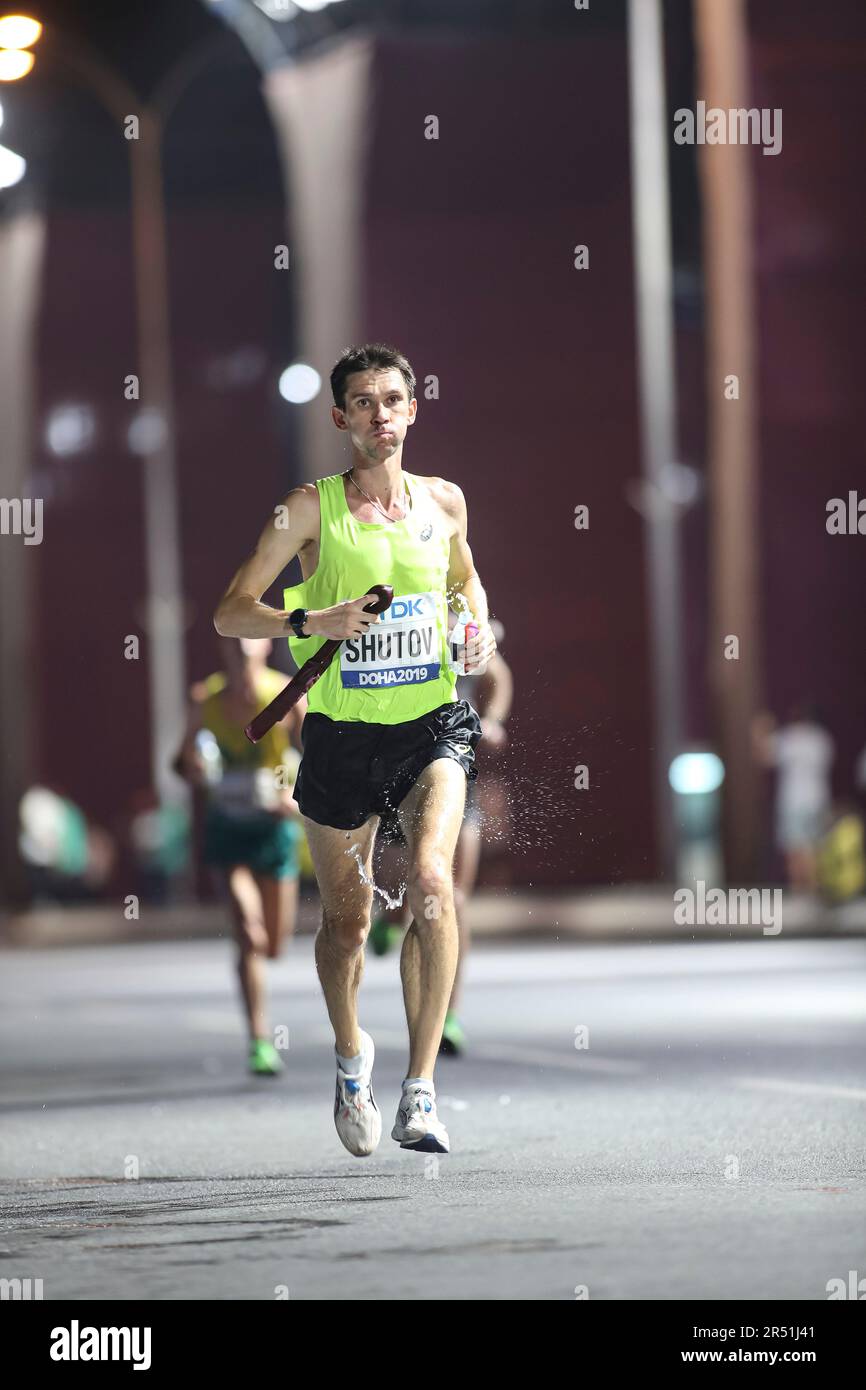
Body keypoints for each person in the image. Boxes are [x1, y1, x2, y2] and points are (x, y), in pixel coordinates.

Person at [213, 341, 497, 1157]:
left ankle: (421, 1091)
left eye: (393, 400)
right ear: (341, 419)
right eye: (363, 403)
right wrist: (310, 621)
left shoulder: (445, 501)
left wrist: (474, 627)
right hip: (340, 737)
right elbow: (231, 612)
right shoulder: (307, 510)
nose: (380, 415)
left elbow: (465, 581)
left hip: (431, 724)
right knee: (346, 921)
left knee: (434, 882)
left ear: (414, 409)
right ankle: (350, 1057)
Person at [369, 614, 513, 1059]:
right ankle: (391, 921)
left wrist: (491, 721)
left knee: (454, 897)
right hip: (400, 771)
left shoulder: (459, 622)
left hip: (453, 770)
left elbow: (498, 674)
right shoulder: (398, 620)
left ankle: (450, 1012)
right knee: (415, 892)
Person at [173, 637, 306, 1076]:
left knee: (273, 943)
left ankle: (260, 1028)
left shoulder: (286, 694)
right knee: (247, 932)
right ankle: (259, 1039)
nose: (242, 650)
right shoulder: (204, 699)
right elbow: (179, 760)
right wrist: (192, 767)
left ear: (266, 645)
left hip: (272, 830)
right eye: (233, 644)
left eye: (250, 641)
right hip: (227, 828)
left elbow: (320, 756)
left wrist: (293, 793)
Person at [752, 702, 835, 891]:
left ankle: (802, 893)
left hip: (794, 803)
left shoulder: (791, 737)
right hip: (818, 801)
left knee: (796, 853)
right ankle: (814, 892)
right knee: (815, 850)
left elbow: (763, 756)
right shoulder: (822, 739)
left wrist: (761, 729)